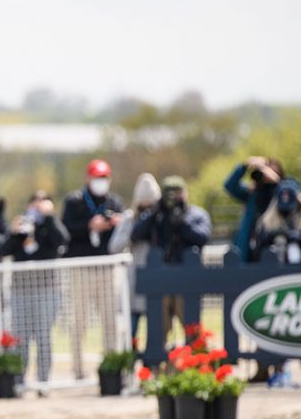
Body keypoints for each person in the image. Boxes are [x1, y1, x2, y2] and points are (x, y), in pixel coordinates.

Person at [254, 178, 301, 388]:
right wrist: (274, 238)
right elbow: (257, 250)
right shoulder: (267, 221)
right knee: (277, 326)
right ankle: (277, 371)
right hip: (276, 283)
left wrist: (300, 238)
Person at [61, 159, 125, 378]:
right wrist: (89, 225)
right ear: (88, 178)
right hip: (81, 269)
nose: (101, 182)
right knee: (78, 322)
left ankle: (111, 367)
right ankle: (78, 370)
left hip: (107, 269)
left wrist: (117, 223)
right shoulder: (75, 201)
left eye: (104, 178)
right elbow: (66, 230)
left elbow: (125, 232)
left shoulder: (114, 201)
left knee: (110, 320)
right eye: (97, 177)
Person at [0, 192, 69, 394]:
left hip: (47, 289)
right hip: (21, 290)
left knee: (44, 336)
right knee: (21, 337)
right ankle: (20, 382)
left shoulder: (50, 225)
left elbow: (63, 240)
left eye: (42, 204)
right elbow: (4, 250)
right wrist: (15, 233)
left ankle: (43, 382)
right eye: (34, 204)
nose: (37, 208)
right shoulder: (22, 224)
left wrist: (49, 218)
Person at [130, 176, 212, 338]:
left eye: (178, 194)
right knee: (159, 329)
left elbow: (202, 238)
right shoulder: (157, 216)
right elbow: (136, 234)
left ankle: (196, 361)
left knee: (191, 329)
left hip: (186, 279)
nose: (174, 198)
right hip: (162, 278)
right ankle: (159, 363)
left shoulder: (196, 214)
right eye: (169, 194)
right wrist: (155, 212)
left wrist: (181, 221)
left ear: (185, 194)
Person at [109, 173, 161, 342]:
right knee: (130, 332)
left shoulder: (161, 219)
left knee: (157, 334)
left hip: (157, 281)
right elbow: (114, 247)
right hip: (134, 283)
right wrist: (132, 236)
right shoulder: (129, 218)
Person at [224, 156, 284, 262]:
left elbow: (289, 194)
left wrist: (276, 180)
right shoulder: (252, 194)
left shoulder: (282, 193)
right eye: (265, 172)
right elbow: (229, 186)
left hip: (272, 249)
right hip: (248, 248)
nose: (267, 176)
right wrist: (244, 166)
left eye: (272, 171)